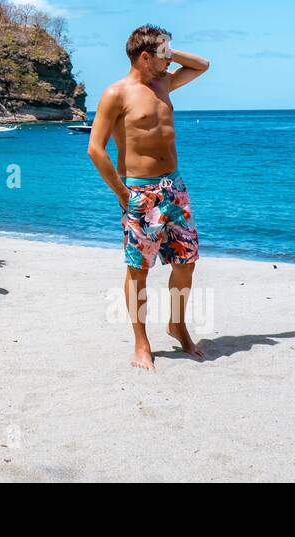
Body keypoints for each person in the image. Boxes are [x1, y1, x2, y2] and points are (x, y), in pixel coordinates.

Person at [87, 25, 210, 370]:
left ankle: (178, 325)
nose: (170, 58)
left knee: (186, 263)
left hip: (175, 189)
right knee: (138, 270)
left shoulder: (164, 83)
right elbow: (95, 150)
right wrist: (123, 194)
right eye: (163, 53)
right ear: (145, 57)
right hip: (139, 192)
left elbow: (202, 65)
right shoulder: (116, 94)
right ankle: (141, 342)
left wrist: (169, 51)